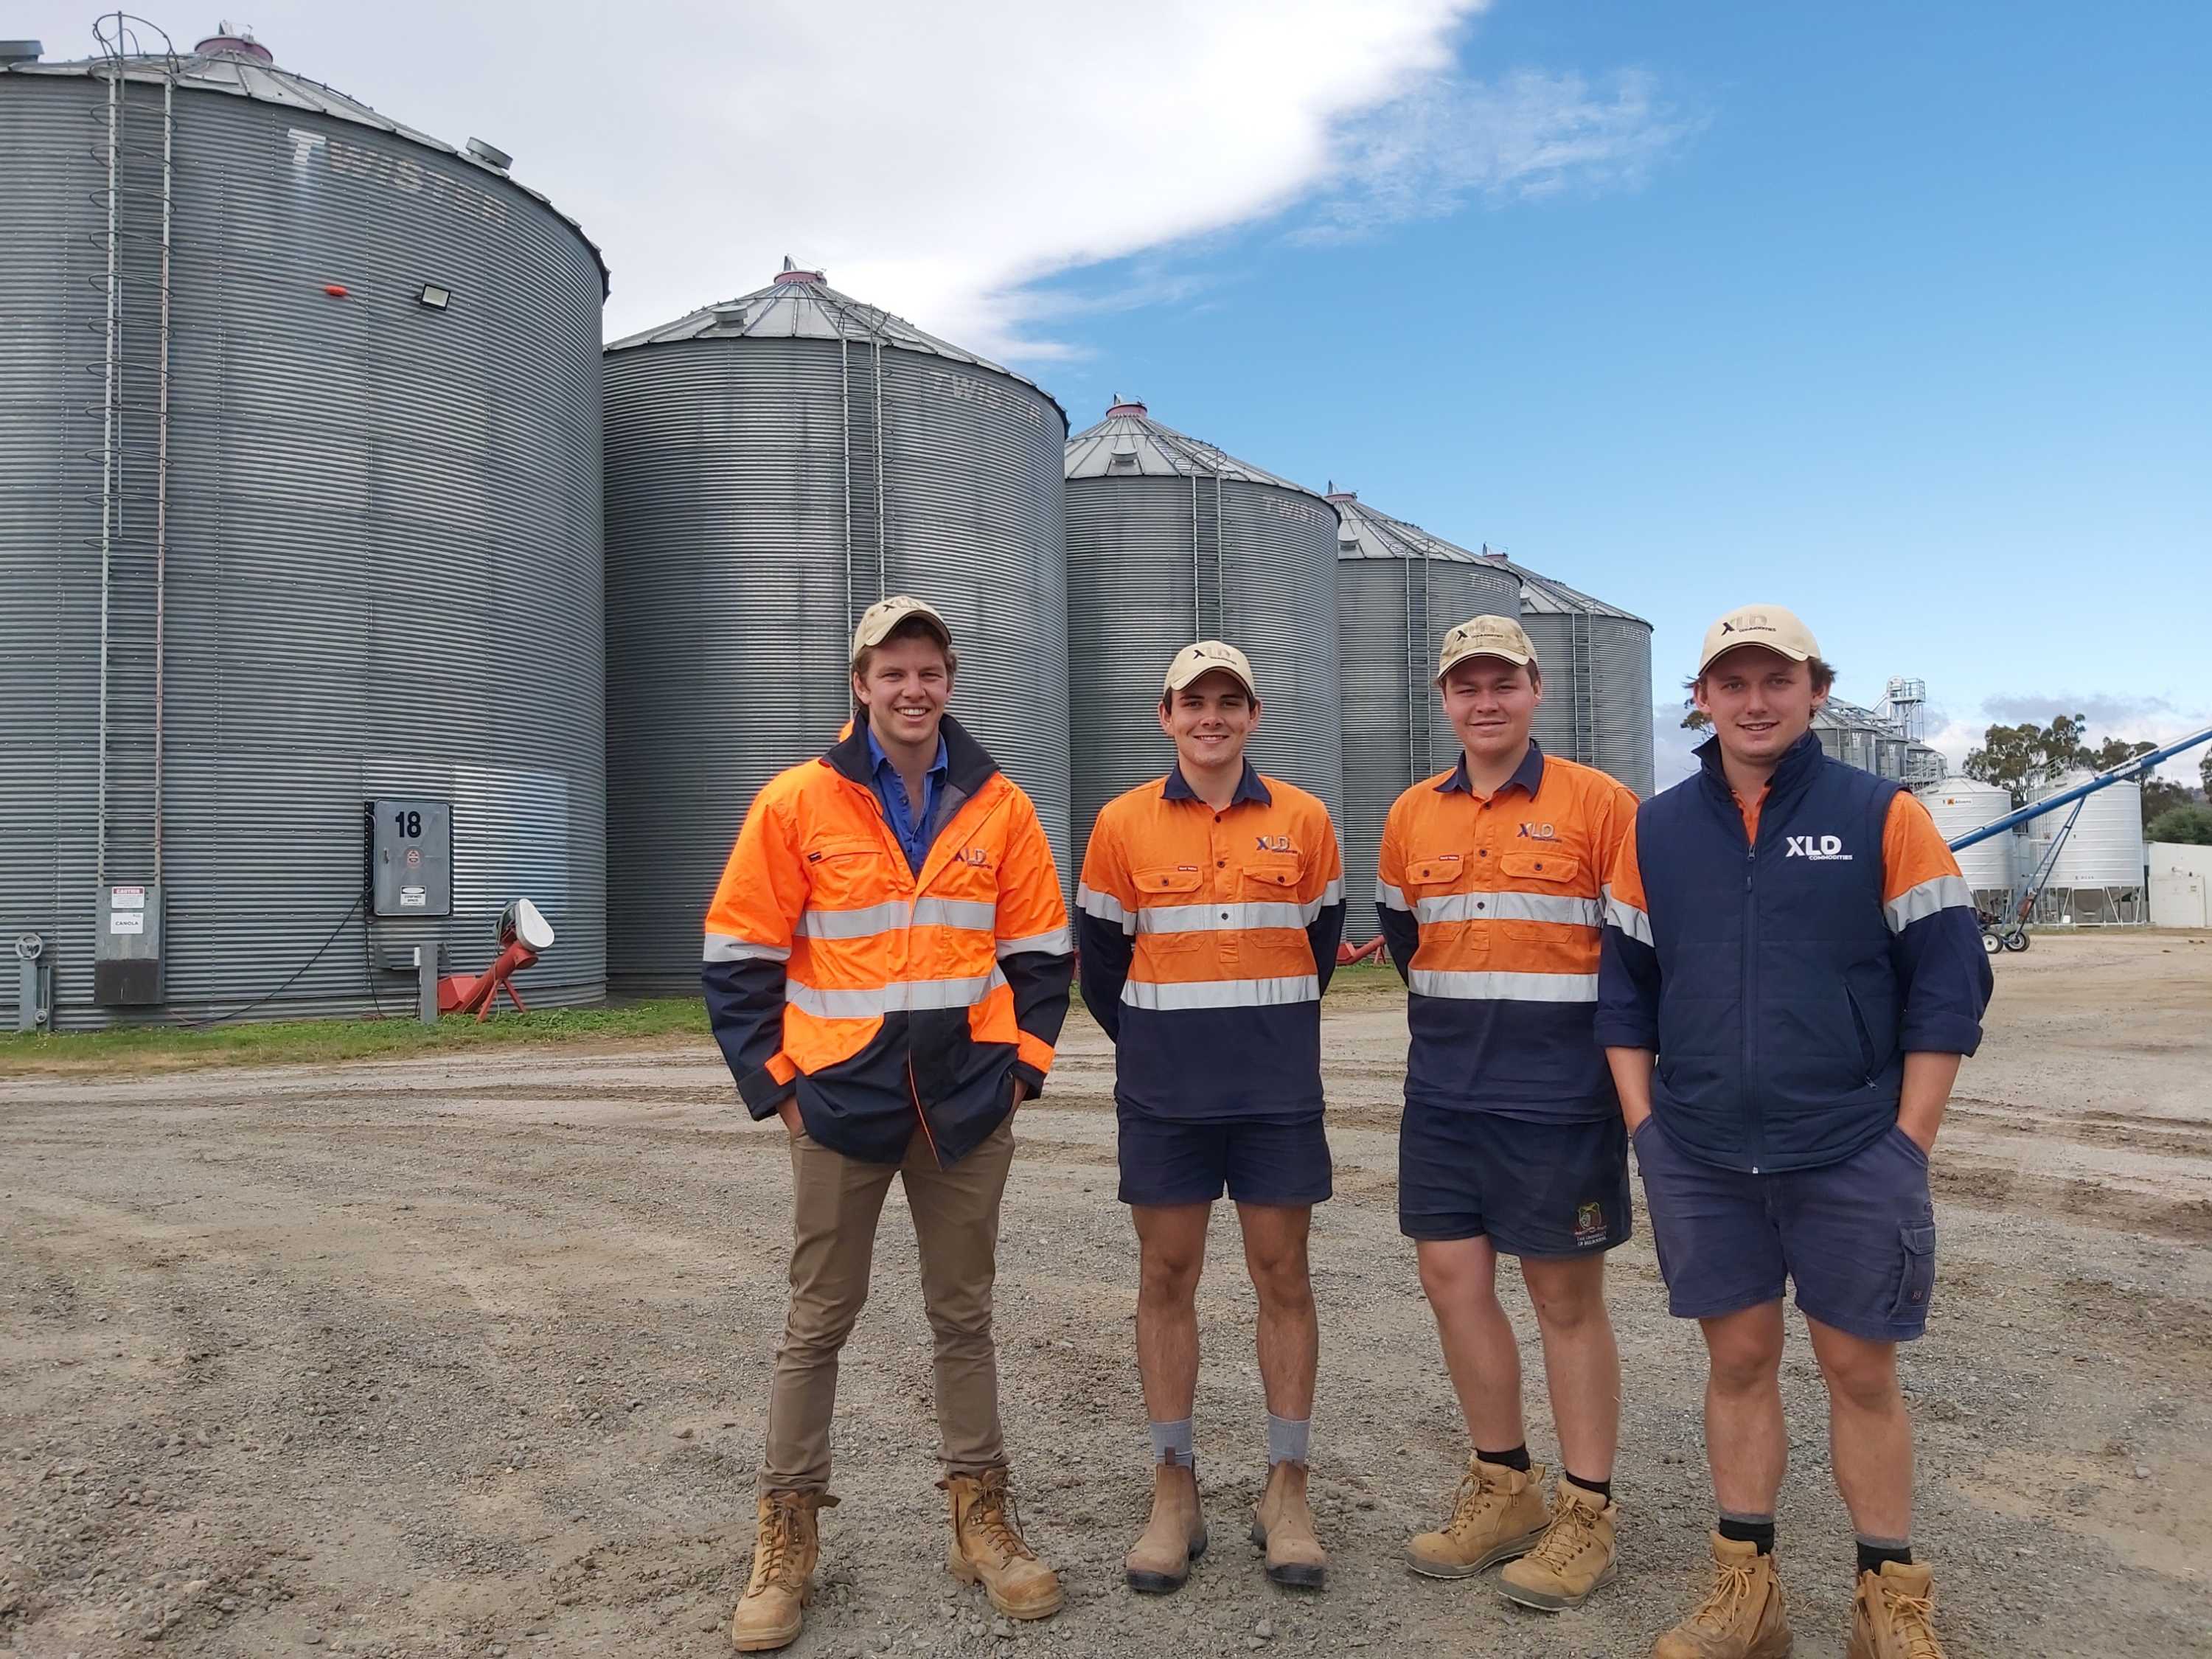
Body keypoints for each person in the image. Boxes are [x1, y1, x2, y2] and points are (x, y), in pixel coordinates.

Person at [1597, 604, 1992, 1659]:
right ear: (1703, 697)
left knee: (1861, 1369)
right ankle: (1748, 1597)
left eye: (1778, 679)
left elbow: (1949, 985)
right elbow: (1625, 993)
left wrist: (1908, 1140)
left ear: (1816, 690)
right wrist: (1649, 1130)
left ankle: (1887, 1603)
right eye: (1734, 682)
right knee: (1738, 1361)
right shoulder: (1657, 828)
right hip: (1705, 1154)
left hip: (1852, 1149)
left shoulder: (1883, 812)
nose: (1756, 700)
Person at [703, 596, 1075, 1652]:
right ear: (860, 683)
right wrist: (780, 1085)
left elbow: (1044, 954)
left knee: (964, 1317)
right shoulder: (798, 802)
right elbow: (738, 957)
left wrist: (1022, 1073)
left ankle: (982, 1519)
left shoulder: (999, 805)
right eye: (892, 671)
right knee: (817, 1320)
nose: (913, 690)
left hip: (964, 1102)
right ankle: (786, 1532)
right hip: (840, 1100)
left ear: (950, 681)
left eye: (930, 671)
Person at [1374, 613, 1641, 1613]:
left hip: (1561, 1098)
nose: (1485, 701)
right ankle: (1505, 1485)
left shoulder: (1600, 804)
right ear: (1444, 699)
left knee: (1565, 1302)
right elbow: (1409, 936)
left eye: (1504, 683)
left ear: (1535, 689)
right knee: (1452, 1280)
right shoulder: (1411, 815)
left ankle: (1587, 1510)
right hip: (1445, 1094)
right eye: (1466, 685)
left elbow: (1636, 949)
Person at [1074, 640, 1347, 1596]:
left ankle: (1287, 1485)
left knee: (1283, 1274)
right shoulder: (1120, 825)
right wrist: (1160, 1045)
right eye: (1195, 702)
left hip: (1275, 1096)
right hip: (1166, 1099)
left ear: (1253, 715)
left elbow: (1316, 946)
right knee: (1167, 1275)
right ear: (1167, 715)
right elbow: (1101, 968)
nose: (1212, 717)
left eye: (1230, 701)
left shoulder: (1306, 820)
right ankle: (1173, 1484)